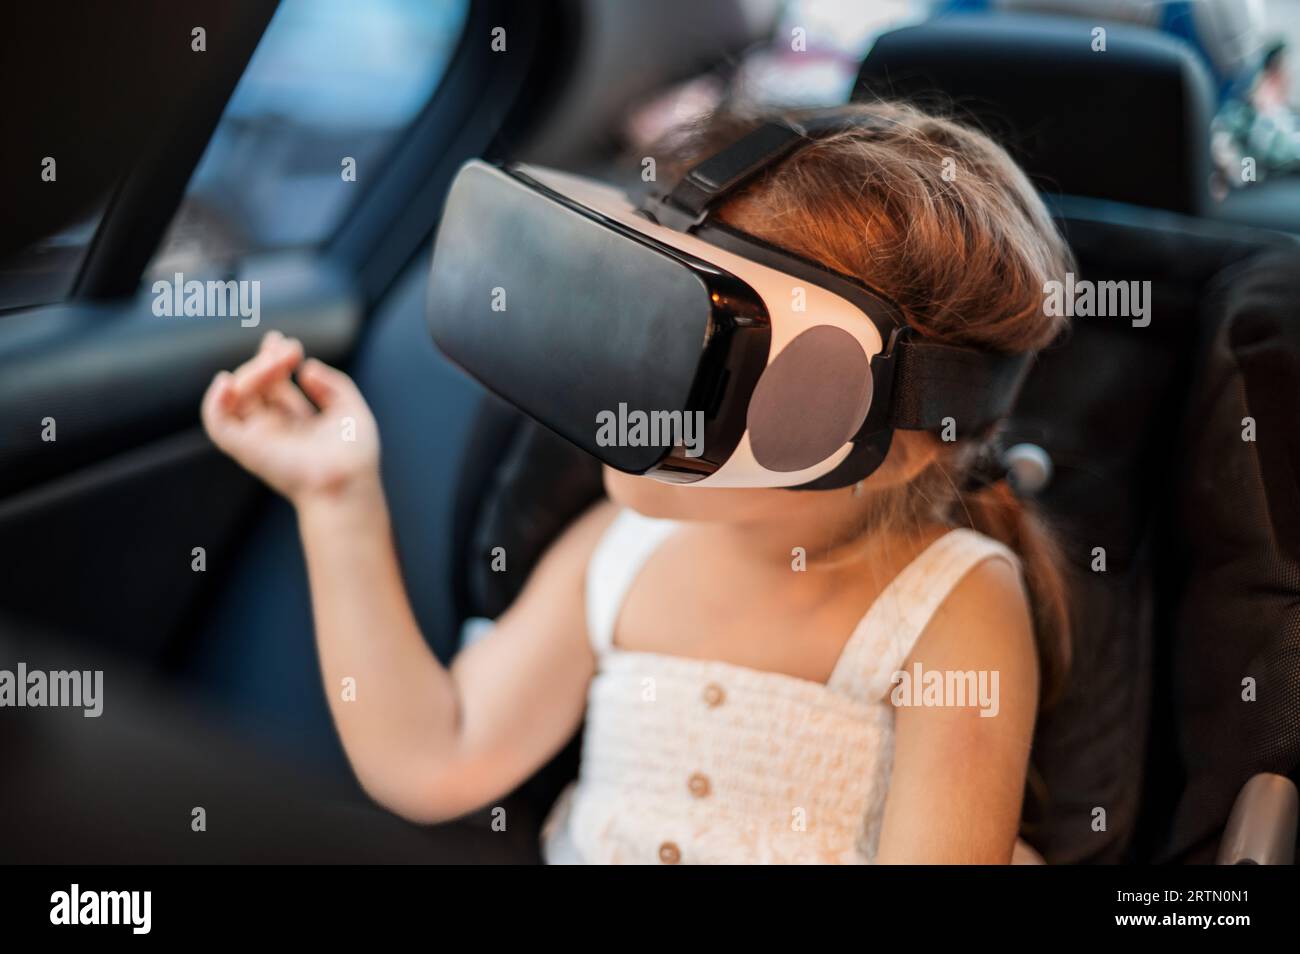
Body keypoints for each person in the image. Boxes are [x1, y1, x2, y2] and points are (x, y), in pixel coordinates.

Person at [200, 102, 1073, 864]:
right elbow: (436, 758)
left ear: (913, 440)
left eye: (716, 363)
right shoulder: (620, 552)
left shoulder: (950, 605)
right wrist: (336, 497)